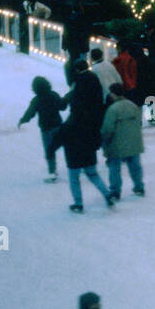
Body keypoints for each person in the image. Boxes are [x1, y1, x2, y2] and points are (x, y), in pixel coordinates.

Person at [57, 63, 110, 211]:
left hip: (74, 158)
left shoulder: (70, 124)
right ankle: (107, 194)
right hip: (88, 151)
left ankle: (78, 203)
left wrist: (50, 150)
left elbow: (59, 138)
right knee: (93, 174)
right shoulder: (94, 78)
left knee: (74, 179)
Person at [102, 83, 145, 200]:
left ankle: (115, 191)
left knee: (114, 168)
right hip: (134, 142)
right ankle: (139, 187)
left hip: (117, 144)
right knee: (135, 166)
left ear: (114, 94)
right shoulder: (133, 105)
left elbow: (107, 129)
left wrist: (105, 142)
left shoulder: (112, 109)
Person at [19, 76, 66, 182]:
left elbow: (30, 113)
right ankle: (77, 165)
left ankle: (52, 172)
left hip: (46, 128)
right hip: (58, 125)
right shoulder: (53, 94)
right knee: (65, 145)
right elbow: (62, 107)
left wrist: (23, 120)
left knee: (49, 151)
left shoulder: (36, 100)